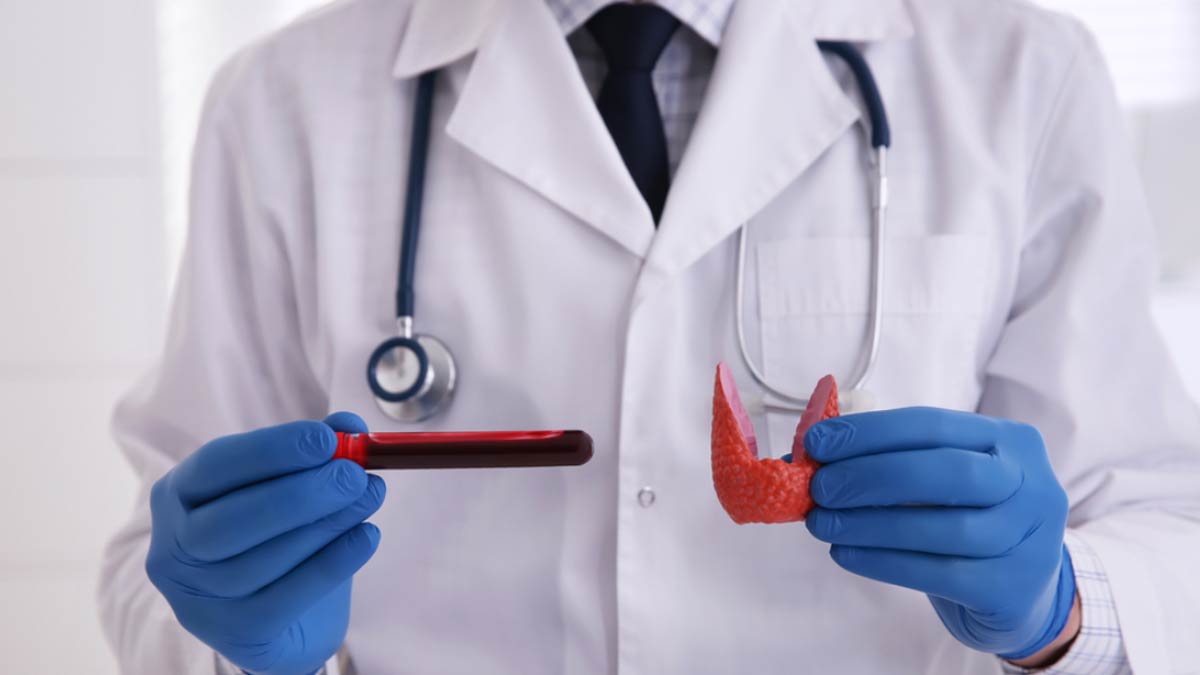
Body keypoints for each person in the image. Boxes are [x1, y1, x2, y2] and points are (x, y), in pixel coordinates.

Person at [100, 0, 1200, 673]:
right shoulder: (282, 104)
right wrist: (234, 646)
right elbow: (159, 561)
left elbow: (1163, 529)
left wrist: (1061, 606)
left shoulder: (1022, 76)